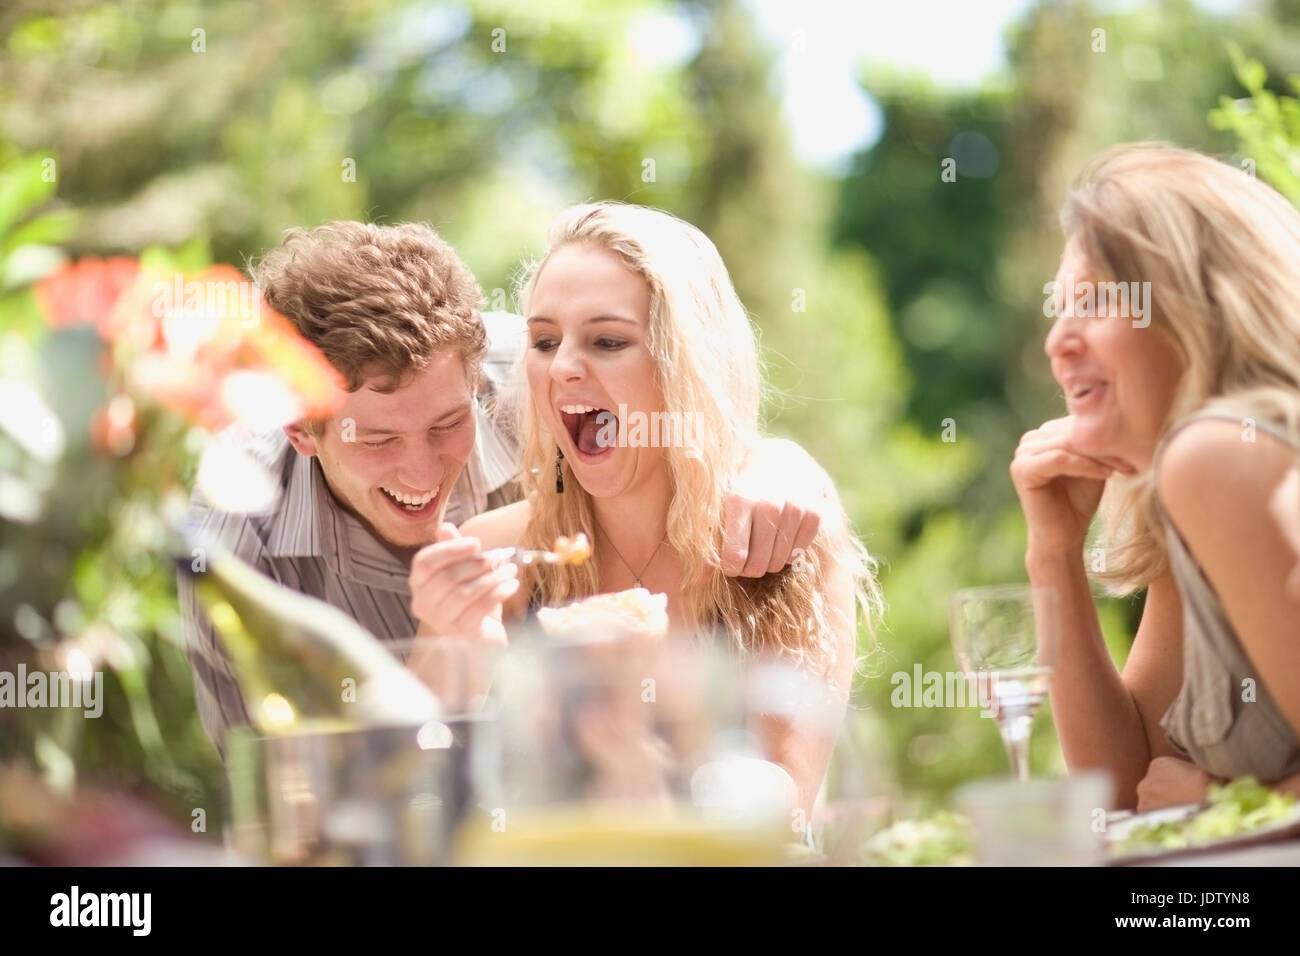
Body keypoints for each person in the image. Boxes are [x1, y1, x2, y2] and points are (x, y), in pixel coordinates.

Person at [179, 220, 845, 759]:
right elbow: (293, 808)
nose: (421, 474)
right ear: (301, 428)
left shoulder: (529, 373)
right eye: (379, 441)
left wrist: (779, 464)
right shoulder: (236, 541)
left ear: (477, 384)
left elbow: (692, 400)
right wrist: (449, 659)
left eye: (447, 423)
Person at [408, 202, 884, 817]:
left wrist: (637, 751)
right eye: (545, 341)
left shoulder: (776, 543)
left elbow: (783, 814)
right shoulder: (499, 558)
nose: (564, 368)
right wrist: (452, 660)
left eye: (608, 341)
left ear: (686, 363)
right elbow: (413, 801)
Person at [1011, 144, 1300, 811]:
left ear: (1203, 310)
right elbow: (1124, 786)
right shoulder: (1194, 484)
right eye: (1059, 309)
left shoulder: (1218, 457)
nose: (1058, 341)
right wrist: (1054, 553)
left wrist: (1219, 806)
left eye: (1096, 302)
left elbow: (1164, 804)